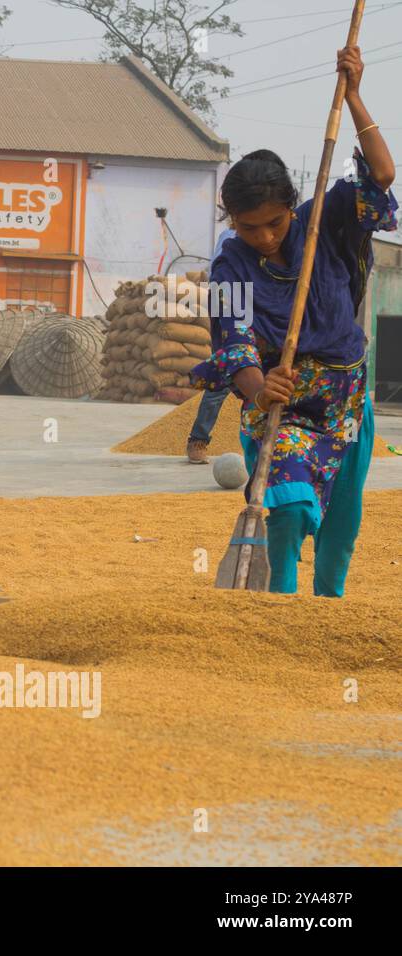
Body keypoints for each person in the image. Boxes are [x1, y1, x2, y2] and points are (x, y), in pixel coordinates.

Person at [191, 45, 396, 596]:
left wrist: (354, 96)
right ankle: (278, 607)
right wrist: (259, 391)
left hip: (347, 404)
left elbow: (381, 174)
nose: (263, 236)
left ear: (292, 207)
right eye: (248, 227)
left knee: (340, 528)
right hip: (282, 407)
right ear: (231, 220)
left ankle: (327, 607)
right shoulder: (230, 266)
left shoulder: (325, 220)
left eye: (275, 223)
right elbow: (233, 344)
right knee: (289, 506)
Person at [185, 227, 236, 464]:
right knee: (223, 379)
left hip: (263, 314)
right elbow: (217, 282)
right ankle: (198, 440)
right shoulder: (230, 238)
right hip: (233, 311)